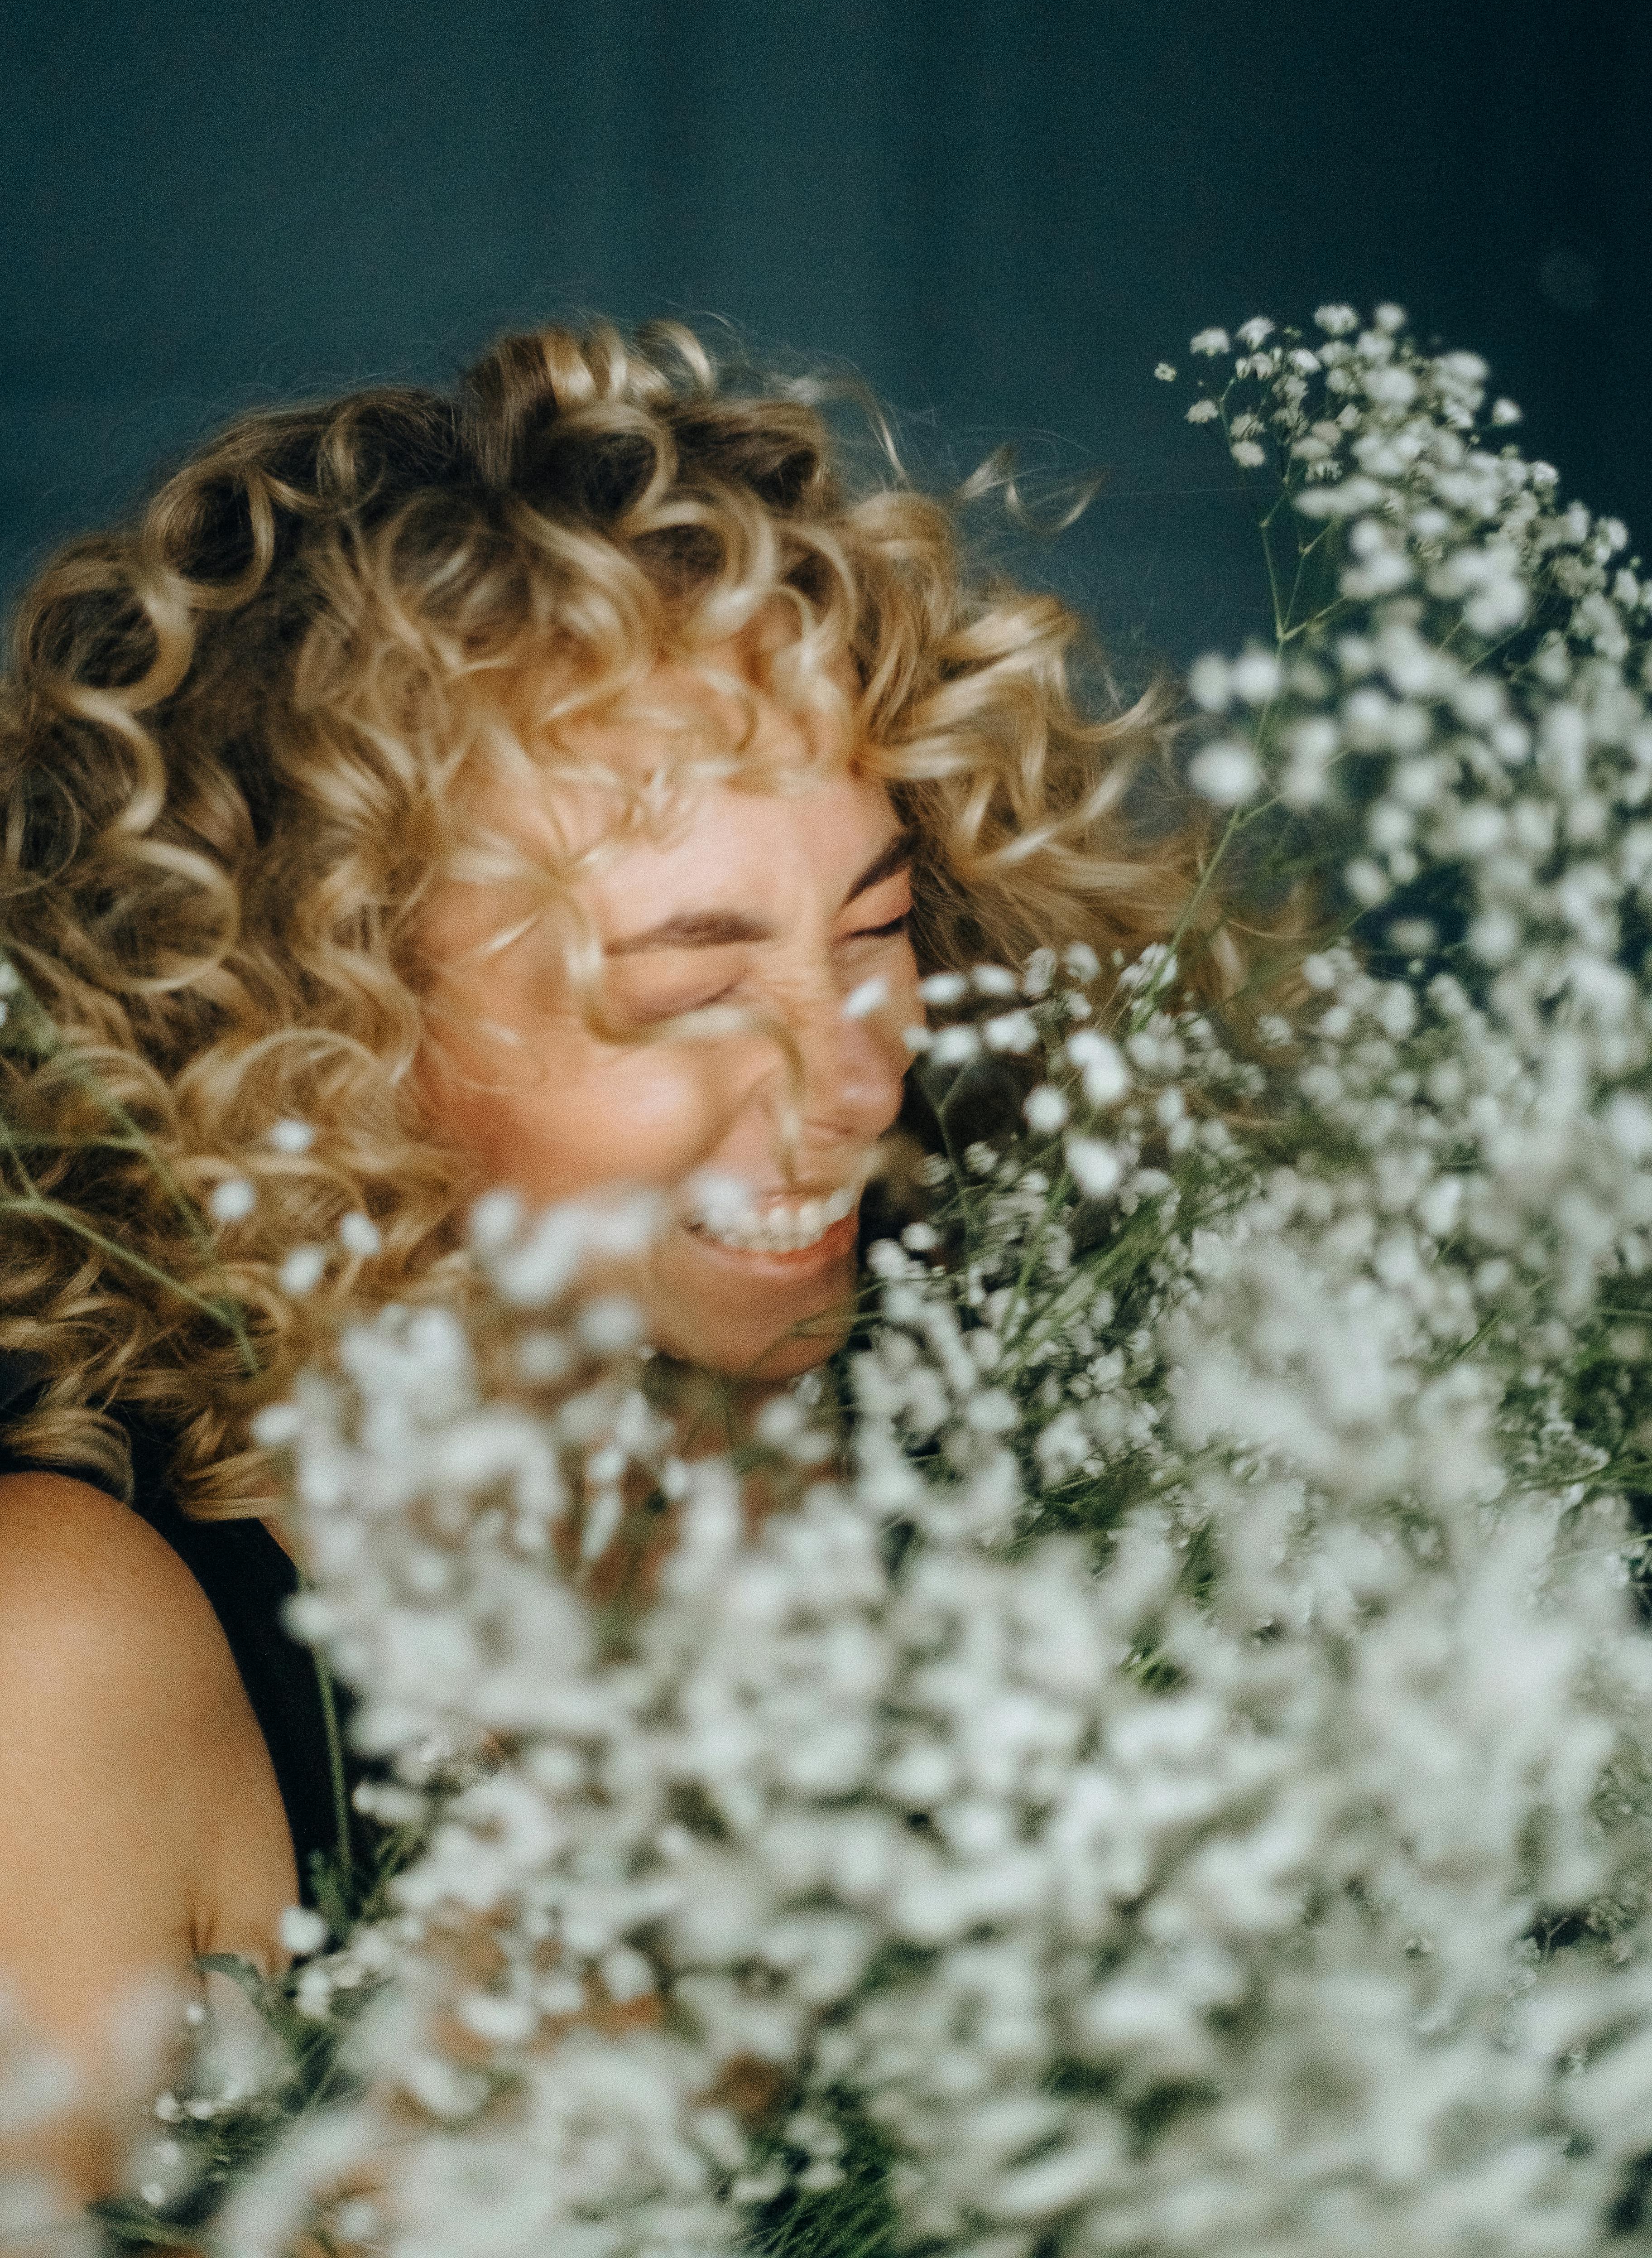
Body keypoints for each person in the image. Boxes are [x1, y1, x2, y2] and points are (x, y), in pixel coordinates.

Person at [0, 319, 1212, 2198]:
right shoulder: (62, 1657)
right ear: (318, 1025)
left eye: (877, 928)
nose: (853, 1083)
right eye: (687, 988)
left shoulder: (978, 1474)